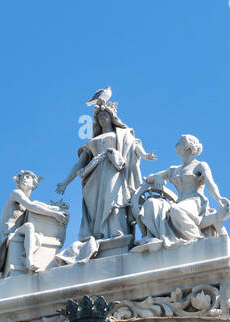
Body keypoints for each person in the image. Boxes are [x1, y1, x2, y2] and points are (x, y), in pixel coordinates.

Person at [55, 101, 155, 263]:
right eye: (99, 116)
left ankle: (117, 231)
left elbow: (134, 147)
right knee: (96, 206)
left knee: (114, 198)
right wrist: (65, 182)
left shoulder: (122, 135)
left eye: (105, 115)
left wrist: (145, 156)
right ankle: (99, 234)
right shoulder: (92, 141)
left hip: (113, 170)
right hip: (93, 176)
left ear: (111, 117)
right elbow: (79, 164)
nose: (102, 118)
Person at [131, 135, 230, 253]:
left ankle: (197, 238)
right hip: (180, 202)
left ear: (188, 149)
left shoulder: (200, 166)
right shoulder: (174, 169)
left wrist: (219, 199)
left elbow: (211, 184)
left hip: (195, 202)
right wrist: (157, 177)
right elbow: (149, 178)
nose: (176, 145)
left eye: (179, 143)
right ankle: (155, 238)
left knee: (177, 210)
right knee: (152, 203)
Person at [0, 171, 68, 280]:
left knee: (29, 227)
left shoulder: (32, 202)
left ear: (34, 184)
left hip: (14, 232)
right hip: (0, 233)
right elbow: (31, 206)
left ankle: (29, 260)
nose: (24, 178)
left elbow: (38, 206)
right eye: (22, 177)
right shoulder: (16, 193)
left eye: (28, 177)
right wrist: (54, 214)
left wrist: (56, 209)